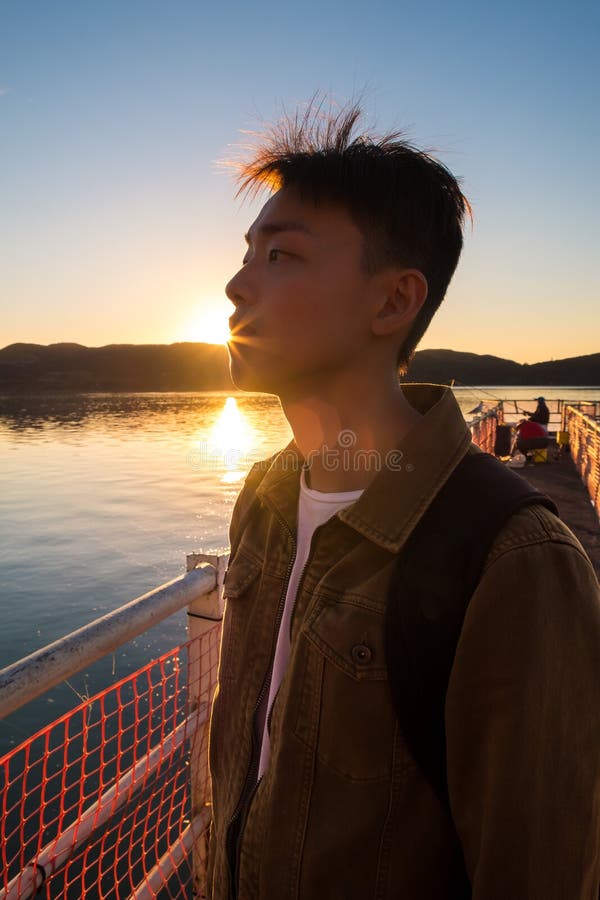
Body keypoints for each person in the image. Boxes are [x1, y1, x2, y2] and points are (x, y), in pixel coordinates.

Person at [206, 95, 600, 899]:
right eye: (247, 252)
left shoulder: (513, 559)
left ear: (393, 301)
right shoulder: (267, 496)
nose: (235, 284)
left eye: (280, 256)